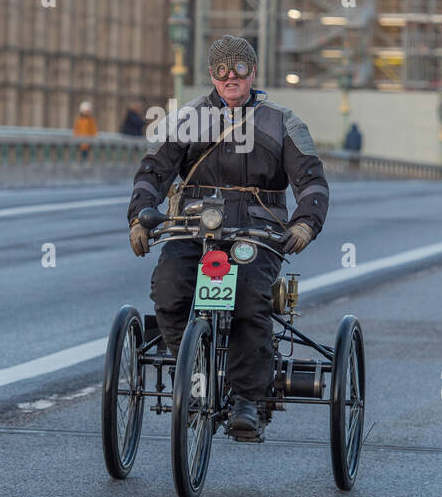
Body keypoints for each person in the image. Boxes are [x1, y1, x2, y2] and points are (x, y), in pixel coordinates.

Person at [126, 34, 329, 437]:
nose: (230, 77)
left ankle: (246, 399)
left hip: (258, 229)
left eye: (239, 69)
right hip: (191, 225)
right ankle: (192, 369)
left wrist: (305, 222)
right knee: (168, 288)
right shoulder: (187, 118)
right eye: (222, 70)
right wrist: (138, 218)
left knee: (250, 301)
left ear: (253, 72)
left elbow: (312, 182)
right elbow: (153, 172)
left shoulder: (283, 120)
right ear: (211, 76)